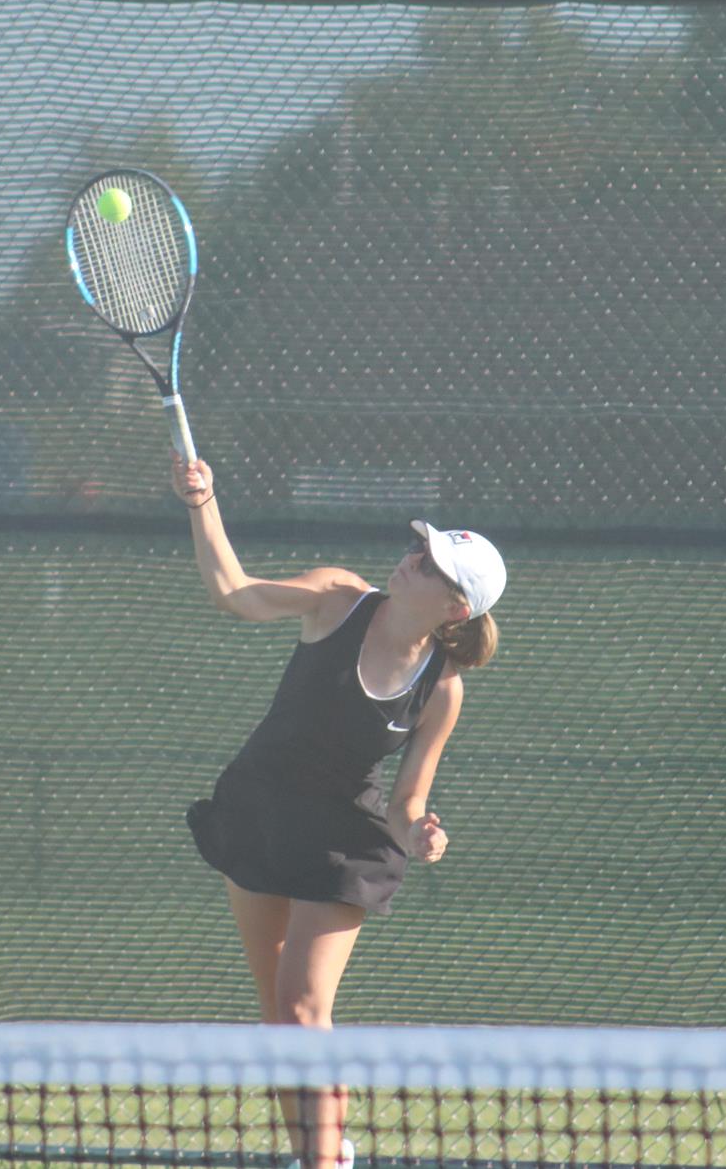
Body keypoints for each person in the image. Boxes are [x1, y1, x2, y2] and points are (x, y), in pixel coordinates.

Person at [171, 452, 505, 1169]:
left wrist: (419, 832)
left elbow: (408, 800)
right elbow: (234, 591)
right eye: (420, 545)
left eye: (433, 561)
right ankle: (316, 1152)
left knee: (302, 1010)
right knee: (277, 1017)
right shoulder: (337, 596)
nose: (415, 557)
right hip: (259, 809)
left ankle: (327, 1162)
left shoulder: (441, 689)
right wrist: (202, 502)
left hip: (343, 838)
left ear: (456, 608)